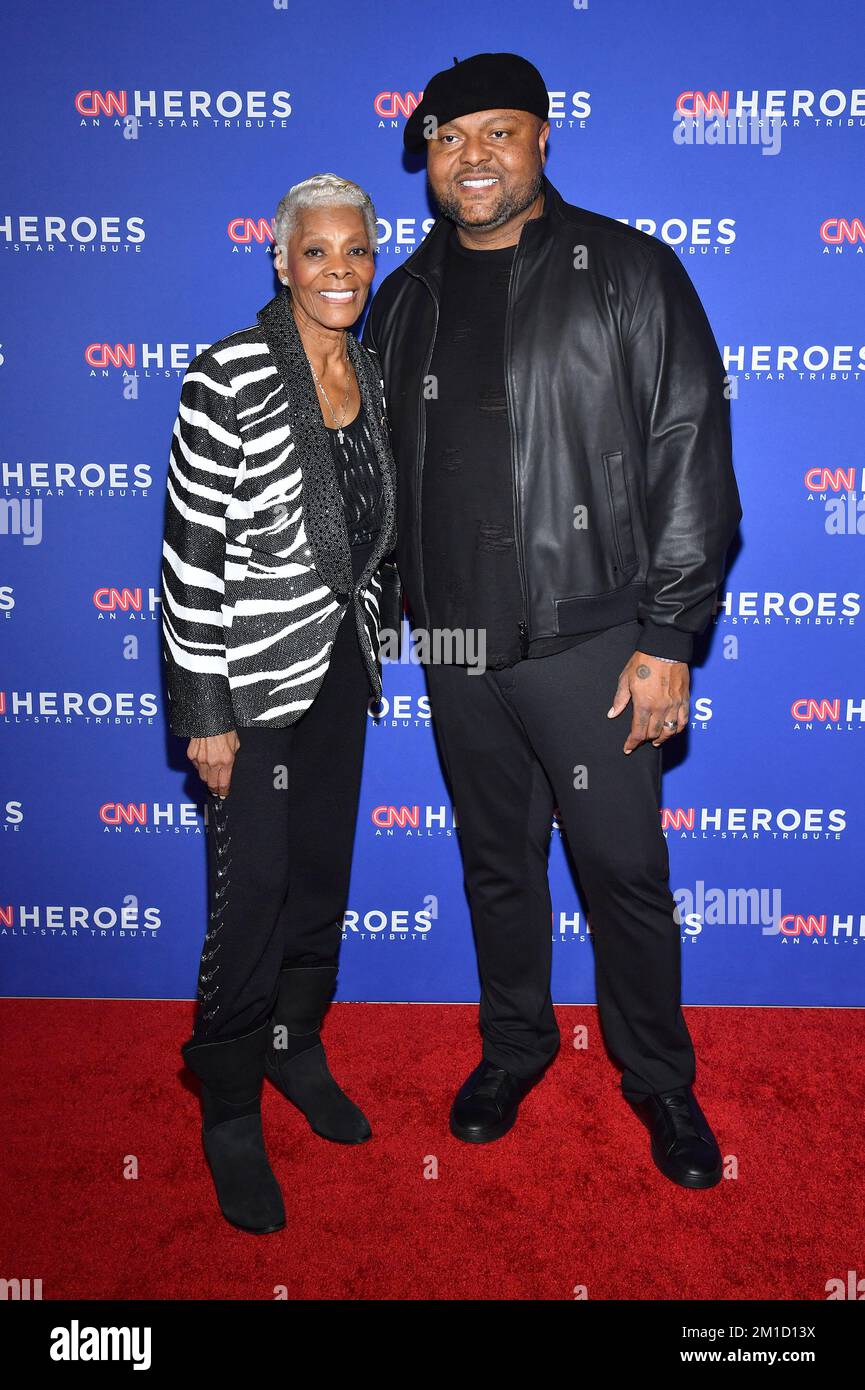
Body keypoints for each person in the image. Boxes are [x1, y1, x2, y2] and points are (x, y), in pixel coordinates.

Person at [363, 53, 742, 1189]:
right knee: (496, 864)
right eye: (446, 138)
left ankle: (658, 1078)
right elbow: (377, 476)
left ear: (540, 140)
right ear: (424, 155)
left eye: (495, 133)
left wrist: (669, 635)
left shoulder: (624, 270)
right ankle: (515, 1046)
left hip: (592, 638)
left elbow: (689, 455)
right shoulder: (404, 297)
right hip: (458, 644)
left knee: (621, 868)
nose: (469, 157)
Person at [160, 173, 399, 1233]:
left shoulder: (371, 368)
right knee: (247, 896)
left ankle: (295, 1049)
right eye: (317, 252)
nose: (338, 269)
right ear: (280, 258)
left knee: (318, 879)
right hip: (250, 686)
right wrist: (202, 706)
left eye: (355, 250)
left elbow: (370, 523)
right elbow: (189, 551)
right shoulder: (229, 372)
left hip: (339, 669)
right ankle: (225, 1111)